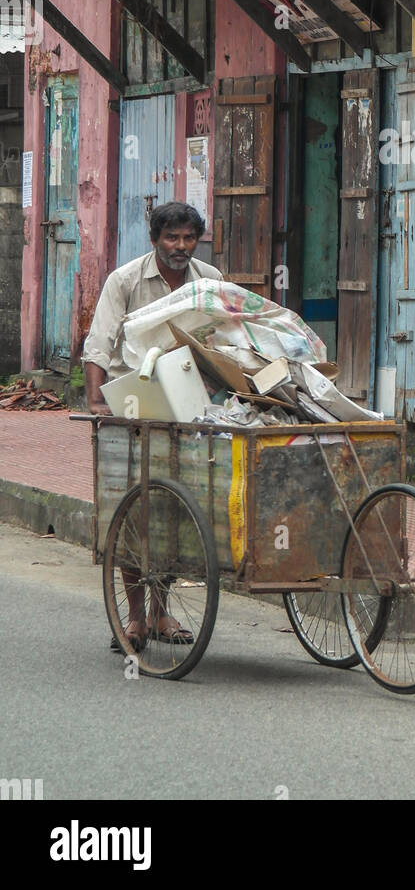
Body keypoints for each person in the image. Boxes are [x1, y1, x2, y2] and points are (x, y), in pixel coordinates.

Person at [82, 201, 223, 650]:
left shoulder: (210, 281)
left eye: (188, 238)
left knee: (174, 512)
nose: (180, 247)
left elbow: (224, 340)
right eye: (172, 238)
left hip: (187, 403)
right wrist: (95, 399)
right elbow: (100, 343)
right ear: (155, 239)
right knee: (134, 510)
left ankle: (163, 615)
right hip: (133, 400)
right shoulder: (124, 280)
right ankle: (136, 620)